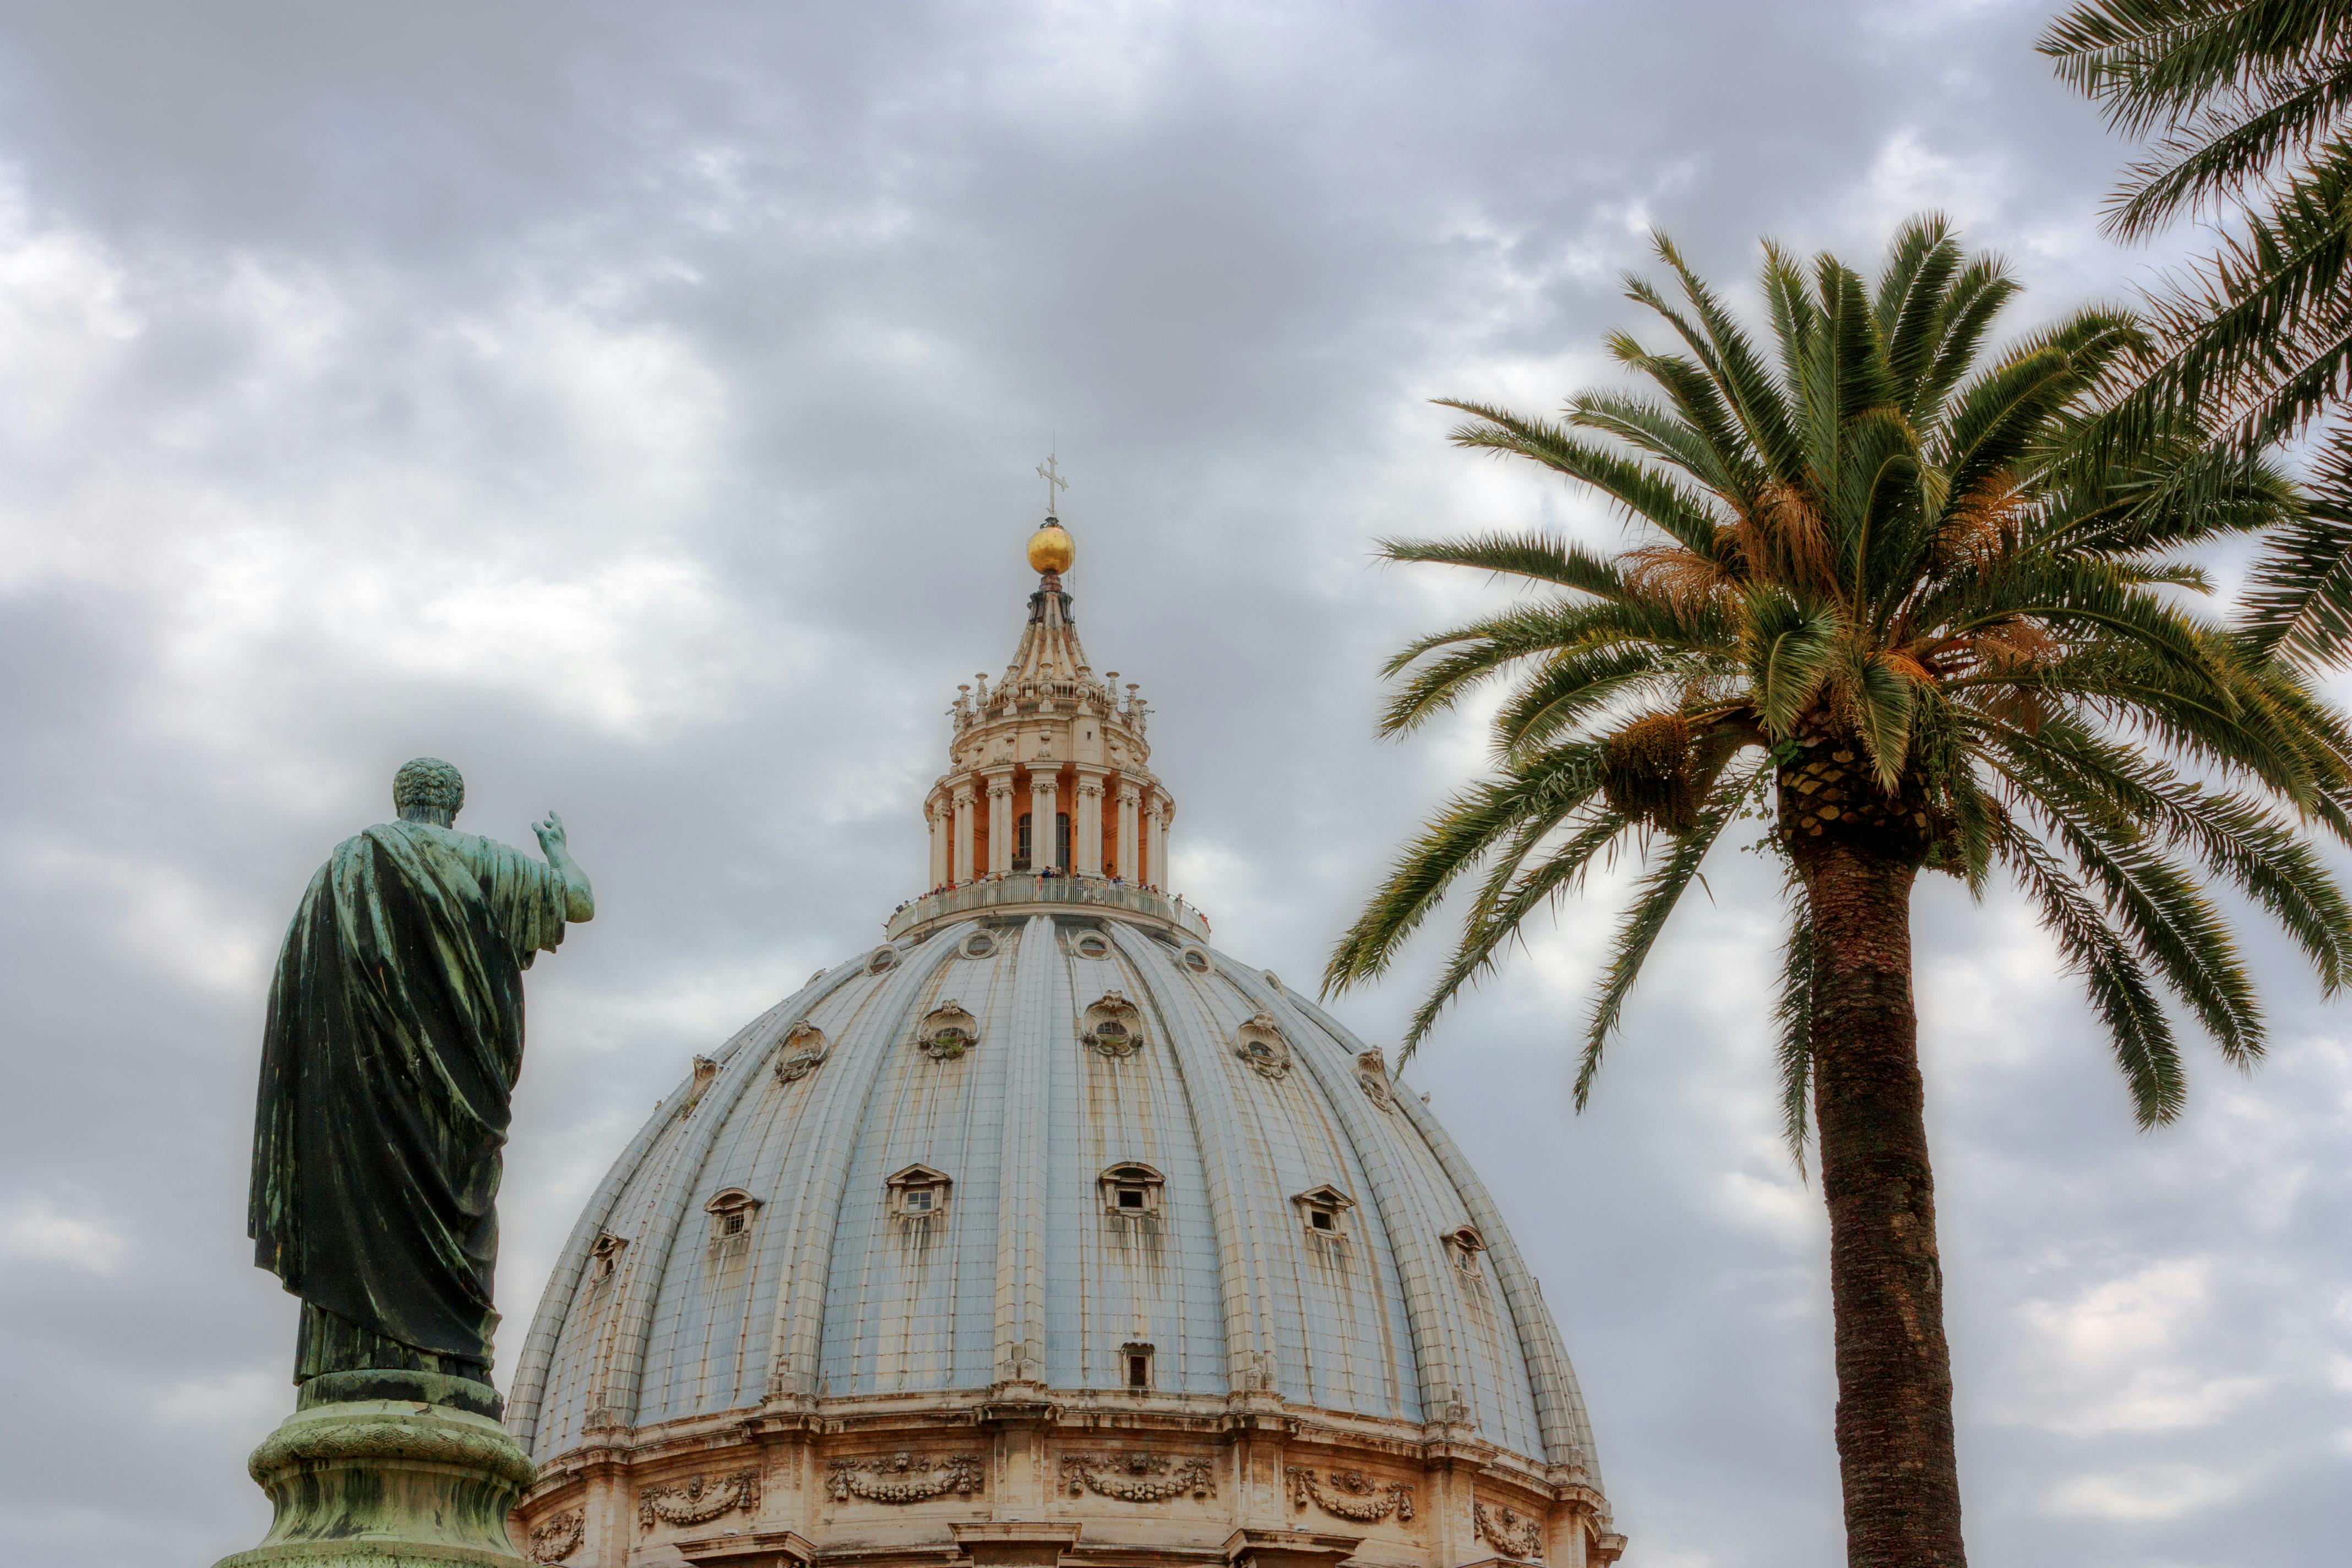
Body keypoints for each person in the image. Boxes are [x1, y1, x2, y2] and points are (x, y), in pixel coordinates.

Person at [248, 757, 593, 1400]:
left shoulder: (344, 869)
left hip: (361, 1095)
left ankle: (359, 1350)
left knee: (361, 1205)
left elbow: (298, 992)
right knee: (460, 1218)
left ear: (400, 799)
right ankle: (450, 1353)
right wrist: (557, 853)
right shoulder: (490, 860)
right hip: (464, 1099)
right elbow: (577, 901)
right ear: (454, 806)